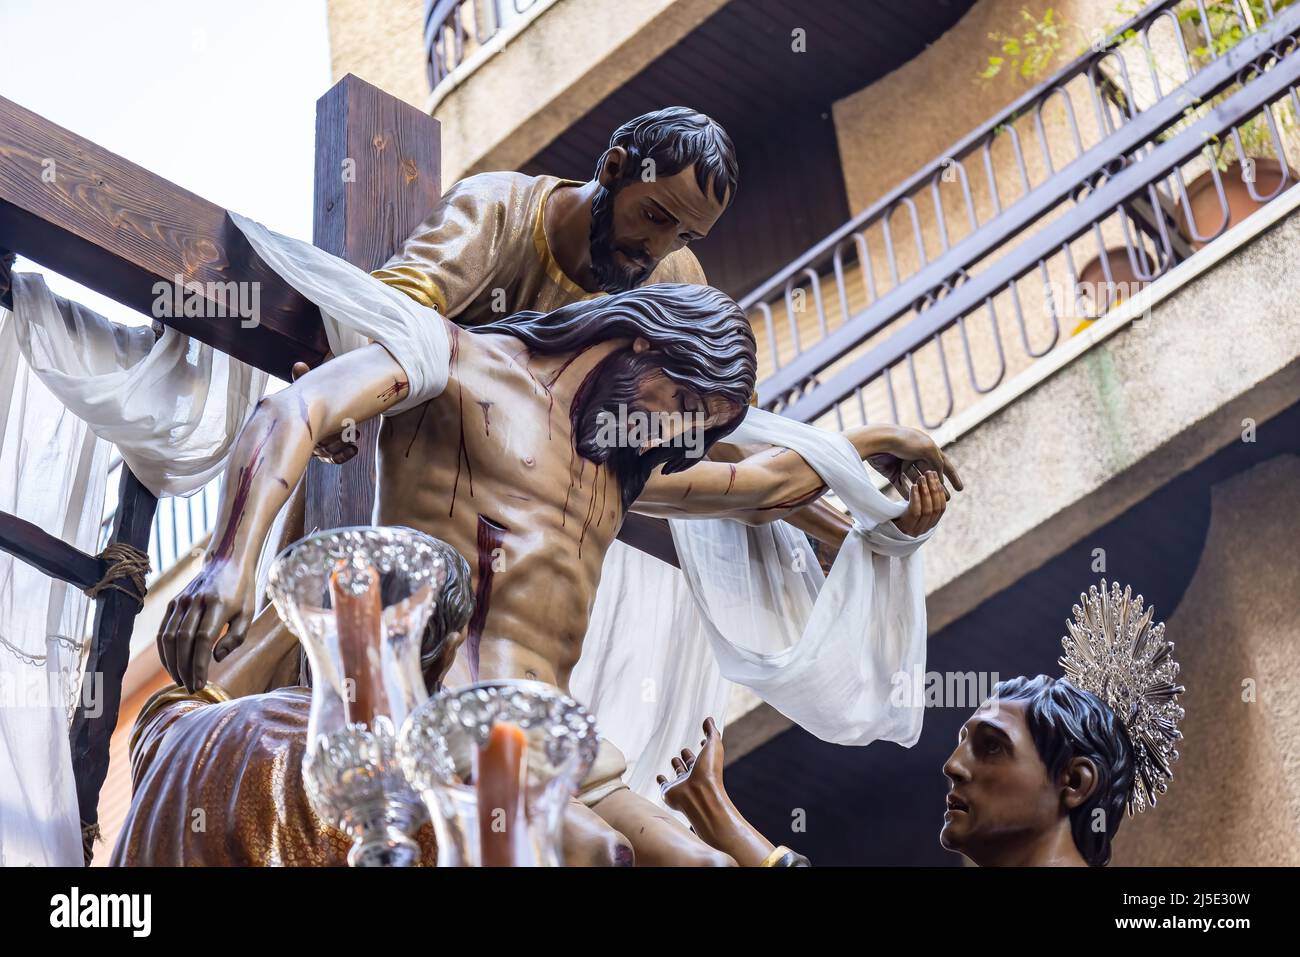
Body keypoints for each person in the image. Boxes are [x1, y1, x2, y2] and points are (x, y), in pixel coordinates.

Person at [147, 282, 957, 866]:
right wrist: (227, 564)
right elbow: (296, 410)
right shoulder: (457, 365)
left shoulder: (623, 465)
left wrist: (875, 441)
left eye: (690, 431)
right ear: (641, 342)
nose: (670, 438)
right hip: (440, 712)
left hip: (561, 745)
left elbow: (762, 488)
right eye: (678, 404)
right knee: (599, 856)